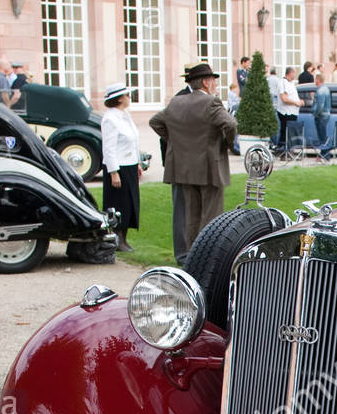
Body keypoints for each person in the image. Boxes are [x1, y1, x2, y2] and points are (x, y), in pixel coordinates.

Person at [149, 63, 237, 258]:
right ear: (206, 82)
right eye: (213, 80)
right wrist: (226, 143)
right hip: (208, 166)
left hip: (185, 168)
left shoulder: (177, 102)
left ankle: (191, 256)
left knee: (191, 216)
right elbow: (230, 123)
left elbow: (155, 121)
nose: (214, 84)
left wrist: (175, 141)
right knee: (211, 215)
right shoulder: (211, 102)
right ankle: (206, 257)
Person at [157, 67, 195, 265]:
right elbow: (159, 124)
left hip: (196, 165)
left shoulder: (197, 99)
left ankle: (194, 249)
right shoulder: (179, 100)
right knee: (181, 209)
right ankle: (182, 253)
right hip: (180, 164)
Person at [100, 83, 141, 252]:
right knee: (119, 203)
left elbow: (133, 141)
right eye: (126, 96)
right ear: (118, 99)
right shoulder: (110, 118)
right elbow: (109, 147)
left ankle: (124, 236)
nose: (128, 98)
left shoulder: (125, 115)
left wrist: (137, 162)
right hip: (118, 167)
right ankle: (117, 237)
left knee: (130, 203)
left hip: (129, 164)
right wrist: (114, 172)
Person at [276, 66, 302, 150]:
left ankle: (289, 150)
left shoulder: (291, 83)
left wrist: (299, 101)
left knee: (290, 133)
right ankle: (283, 151)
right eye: (294, 73)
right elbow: (284, 99)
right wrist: (296, 102)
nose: (295, 75)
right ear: (290, 73)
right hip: (286, 112)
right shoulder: (283, 83)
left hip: (292, 112)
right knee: (285, 133)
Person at [311, 71, 332, 162]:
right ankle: (325, 154)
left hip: (321, 116)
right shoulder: (326, 89)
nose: (315, 81)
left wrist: (315, 114)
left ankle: (325, 154)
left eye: (315, 79)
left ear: (318, 80)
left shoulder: (320, 91)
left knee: (322, 136)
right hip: (326, 114)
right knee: (323, 135)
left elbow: (320, 105)